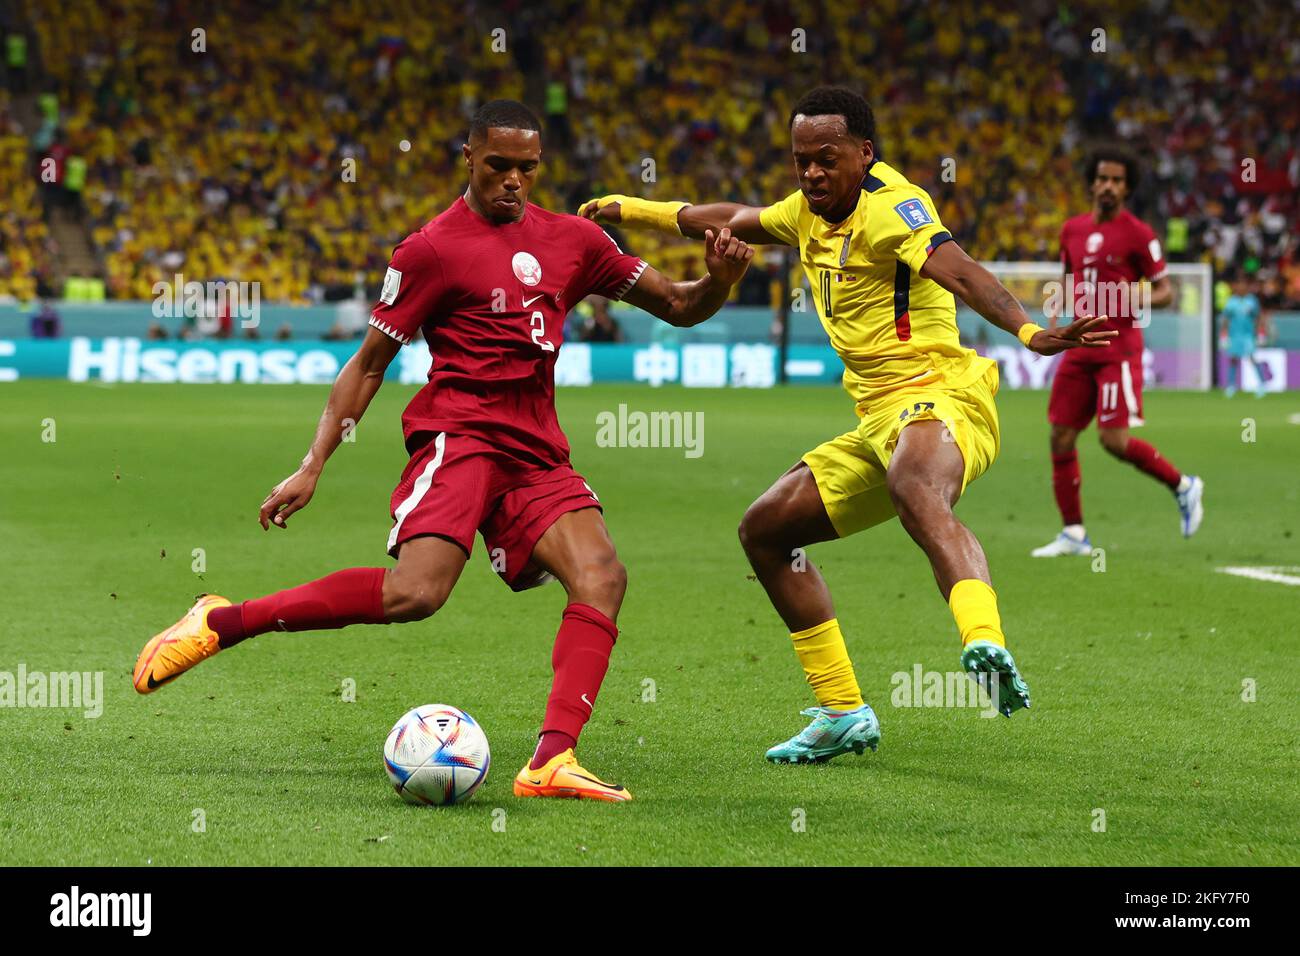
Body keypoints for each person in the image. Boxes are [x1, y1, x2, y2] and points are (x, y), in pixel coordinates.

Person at [132, 99, 754, 801]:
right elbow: (369, 364)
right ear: (469, 158)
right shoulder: (429, 249)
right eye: (498, 166)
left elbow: (677, 304)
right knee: (416, 594)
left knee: (603, 577)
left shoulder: (576, 239)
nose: (513, 181)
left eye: (526, 168)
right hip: (460, 438)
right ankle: (224, 620)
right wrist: (314, 463)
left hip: (537, 450)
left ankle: (550, 761)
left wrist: (722, 283)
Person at [581, 86, 1111, 763]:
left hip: (942, 396)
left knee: (916, 486)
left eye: (825, 159)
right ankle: (841, 710)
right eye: (801, 160)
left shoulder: (896, 208)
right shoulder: (806, 210)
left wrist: (1030, 329)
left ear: (864, 152)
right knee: (766, 531)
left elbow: (965, 273)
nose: (810, 174)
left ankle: (984, 640)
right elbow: (727, 219)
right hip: (877, 419)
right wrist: (631, 208)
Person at [1033, 148, 1204, 556]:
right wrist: (1057, 319)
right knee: (1060, 435)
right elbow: (1068, 277)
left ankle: (1183, 485)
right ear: (1092, 183)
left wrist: (1135, 292)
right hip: (1079, 348)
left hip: (1118, 350)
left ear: (1126, 188)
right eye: (1102, 178)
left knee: (1113, 440)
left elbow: (1166, 292)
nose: (1108, 186)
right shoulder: (1071, 229)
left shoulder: (1139, 234)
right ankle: (1074, 533)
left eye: (1117, 180)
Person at [1220, 274, 1267, 398]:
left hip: (1248, 335)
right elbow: (1225, 319)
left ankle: (1262, 385)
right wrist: (1223, 336)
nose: (1241, 287)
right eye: (1238, 285)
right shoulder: (1232, 301)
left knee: (1252, 358)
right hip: (1234, 335)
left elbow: (1258, 317)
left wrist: (1261, 333)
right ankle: (1231, 386)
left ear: (1246, 287)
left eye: (1243, 285)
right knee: (1233, 360)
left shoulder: (1252, 301)